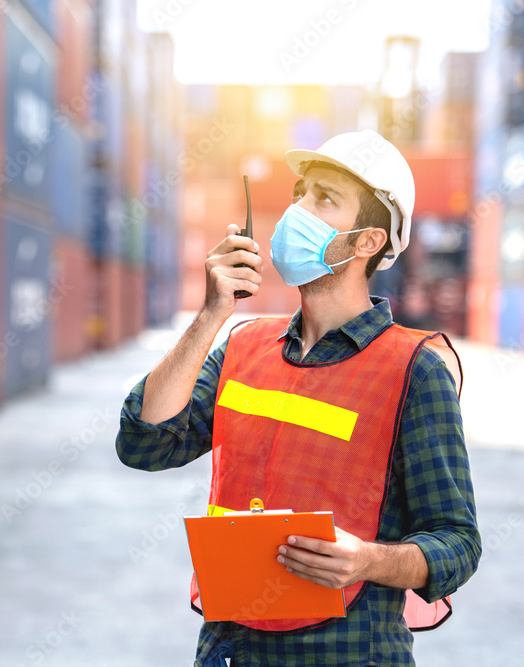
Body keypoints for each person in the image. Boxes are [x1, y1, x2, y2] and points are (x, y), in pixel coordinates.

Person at [116, 130, 481, 666]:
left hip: (348, 655)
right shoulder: (243, 346)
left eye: (325, 199)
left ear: (366, 242)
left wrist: (367, 561)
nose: (297, 211)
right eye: (300, 193)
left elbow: (458, 544)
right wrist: (212, 313)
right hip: (228, 650)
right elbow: (144, 444)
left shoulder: (414, 370)